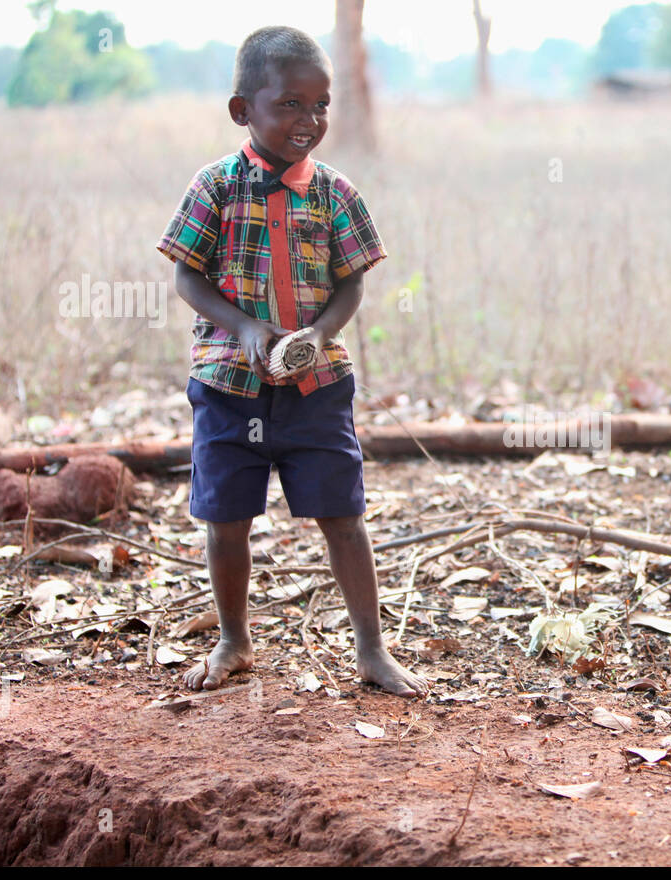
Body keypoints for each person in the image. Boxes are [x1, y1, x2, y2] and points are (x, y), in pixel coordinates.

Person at [156, 25, 427, 698]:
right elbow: (187, 279)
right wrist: (243, 325)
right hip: (228, 387)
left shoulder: (335, 193)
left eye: (322, 104)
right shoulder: (215, 187)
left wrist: (321, 334)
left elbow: (352, 281)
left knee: (343, 516)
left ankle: (371, 650)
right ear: (242, 110)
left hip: (316, 387)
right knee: (226, 520)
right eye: (290, 104)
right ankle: (234, 640)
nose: (310, 120)